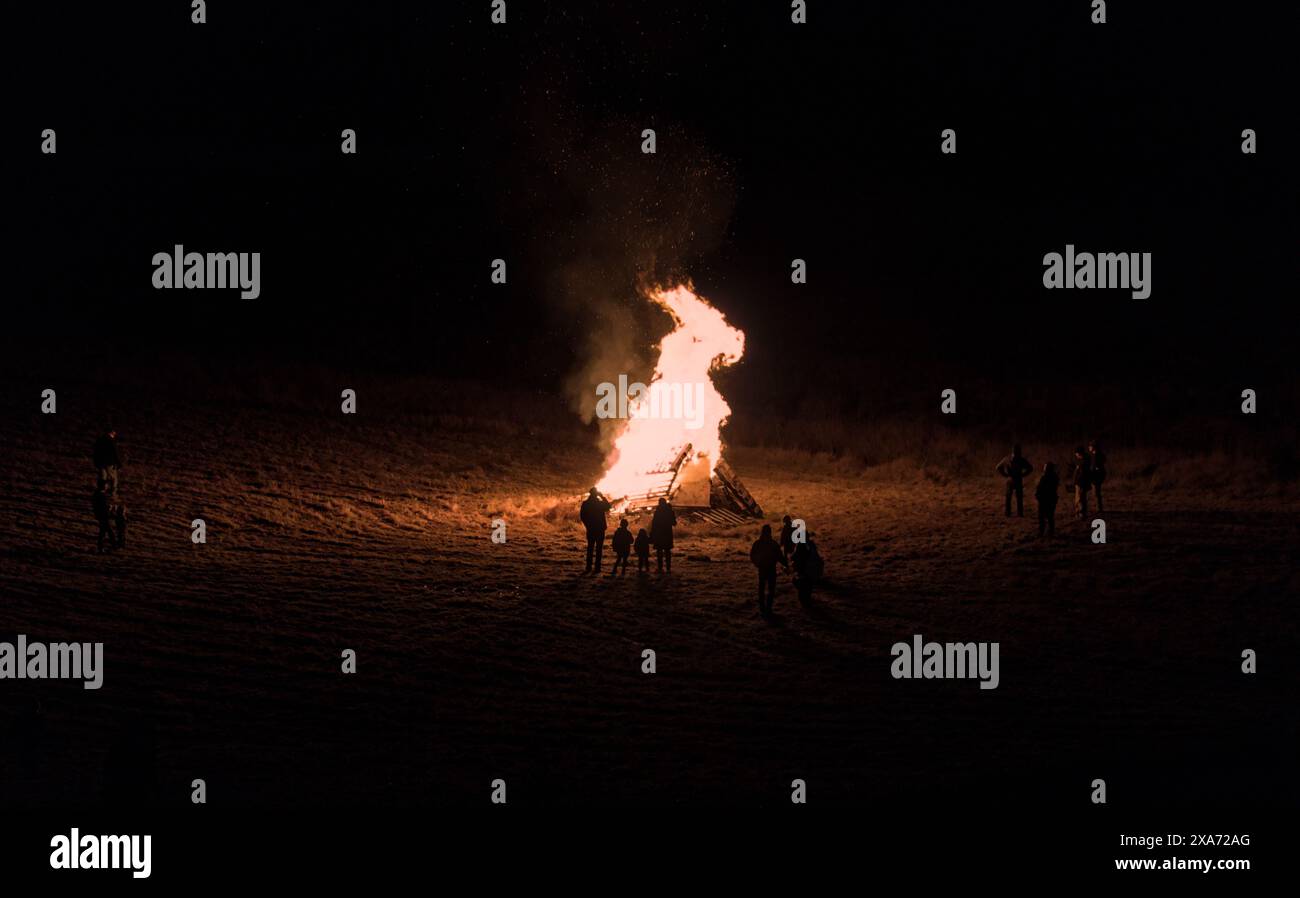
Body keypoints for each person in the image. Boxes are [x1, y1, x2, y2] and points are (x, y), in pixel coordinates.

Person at [750, 524, 788, 617]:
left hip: (763, 569)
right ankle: (768, 608)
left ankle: (763, 608)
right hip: (770, 569)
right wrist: (786, 564)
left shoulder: (758, 543)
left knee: (762, 589)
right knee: (770, 590)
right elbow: (780, 556)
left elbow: (752, 555)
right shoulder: (773, 544)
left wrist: (757, 563)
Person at [579, 487, 612, 573]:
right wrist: (602, 496)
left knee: (590, 548)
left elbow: (582, 516)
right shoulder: (599, 503)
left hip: (591, 529)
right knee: (599, 549)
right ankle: (597, 568)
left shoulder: (586, 503)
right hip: (600, 529)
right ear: (596, 494)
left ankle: (588, 567)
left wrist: (588, 526)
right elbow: (609, 506)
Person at [995, 444, 1034, 517]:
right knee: (1018, 497)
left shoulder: (1007, 458)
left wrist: (1005, 474)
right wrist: (1023, 474)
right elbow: (1030, 468)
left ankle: (1008, 513)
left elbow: (998, 467)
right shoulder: (1021, 459)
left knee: (1009, 497)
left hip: (1010, 479)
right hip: (1017, 479)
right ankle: (1019, 513)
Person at [791, 533, 823, 606]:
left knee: (800, 582)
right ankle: (807, 598)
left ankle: (804, 600)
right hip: (812, 568)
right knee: (808, 584)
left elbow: (795, 556)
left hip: (804, 568)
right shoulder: (811, 544)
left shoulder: (801, 545)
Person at [650, 497, 676, 574]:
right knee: (667, 551)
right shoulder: (670, 511)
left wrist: (652, 534)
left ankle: (660, 568)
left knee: (659, 551)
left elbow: (654, 524)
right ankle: (668, 568)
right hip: (667, 533)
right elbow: (674, 523)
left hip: (659, 534)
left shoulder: (657, 512)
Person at [93, 429, 121, 497]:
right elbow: (115, 452)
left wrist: (95, 461)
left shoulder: (100, 440)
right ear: (112, 433)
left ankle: (101, 491)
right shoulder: (112, 441)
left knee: (103, 476)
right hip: (110, 462)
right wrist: (119, 463)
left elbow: (95, 451)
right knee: (113, 478)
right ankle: (113, 492)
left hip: (100, 462)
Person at [1034, 462, 1059, 537]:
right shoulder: (1054, 477)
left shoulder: (1047, 477)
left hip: (1045, 499)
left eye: (1046, 467)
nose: (1044, 469)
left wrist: (1038, 494)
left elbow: (1042, 488)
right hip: (1049, 499)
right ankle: (1048, 531)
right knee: (1048, 516)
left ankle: (1044, 531)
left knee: (1044, 516)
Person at [1069, 447, 1092, 519]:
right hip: (1081, 483)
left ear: (1079, 453)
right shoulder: (1084, 461)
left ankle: (1081, 514)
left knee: (1080, 499)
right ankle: (1081, 513)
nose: (1076, 455)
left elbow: (1081, 474)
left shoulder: (1083, 462)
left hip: (1081, 483)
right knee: (1082, 498)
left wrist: (1077, 481)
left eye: (1076, 453)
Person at [92, 484, 114, 553]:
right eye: (106, 485)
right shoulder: (100, 495)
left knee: (103, 532)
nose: (107, 486)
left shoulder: (98, 494)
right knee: (108, 531)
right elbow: (102, 506)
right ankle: (113, 546)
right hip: (104, 516)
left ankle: (101, 547)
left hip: (101, 515)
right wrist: (109, 508)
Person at [1088, 440, 1107, 513]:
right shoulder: (1096, 455)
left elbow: (1096, 467)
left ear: (1093, 447)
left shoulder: (1096, 456)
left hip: (1096, 476)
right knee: (1096, 492)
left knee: (1096, 492)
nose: (1089, 447)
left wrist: (1094, 471)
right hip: (1097, 476)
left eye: (1090, 446)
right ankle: (1098, 508)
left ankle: (1099, 509)